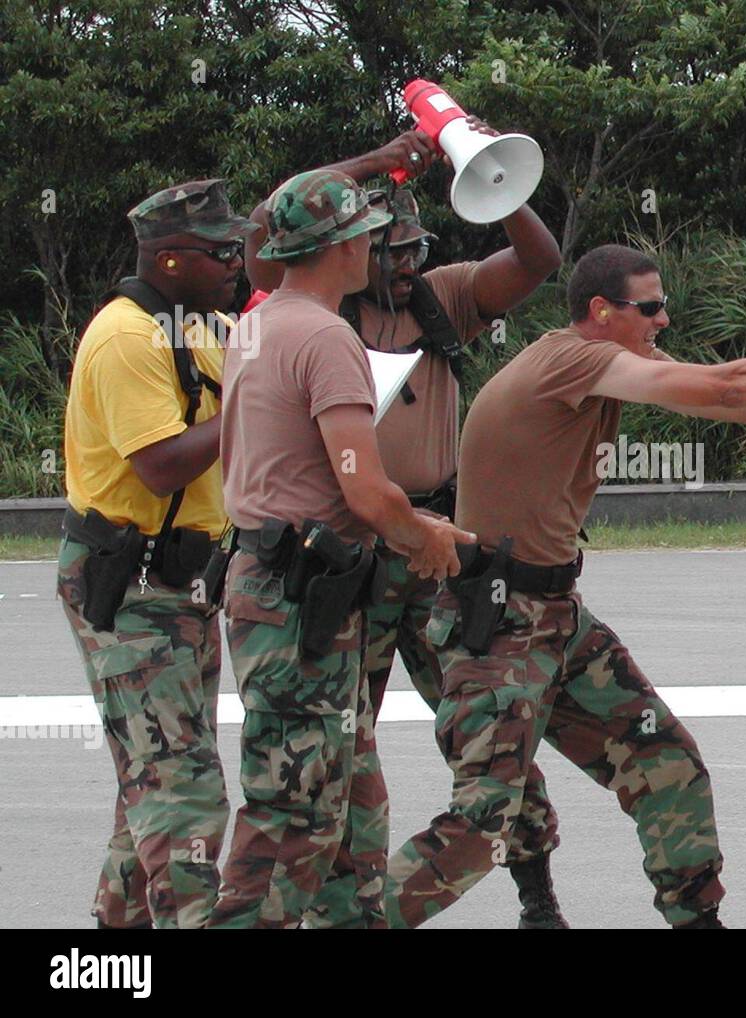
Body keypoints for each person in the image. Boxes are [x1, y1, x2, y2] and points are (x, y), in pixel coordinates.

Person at [385, 243, 746, 928]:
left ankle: (697, 921)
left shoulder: (609, 362)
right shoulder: (572, 360)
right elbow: (729, 386)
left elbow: (732, 403)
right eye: (651, 306)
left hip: (551, 615)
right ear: (601, 313)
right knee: (482, 823)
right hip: (498, 623)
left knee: (668, 767)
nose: (664, 318)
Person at [243, 126, 570, 928]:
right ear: (350, 248)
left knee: (486, 728)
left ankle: (536, 890)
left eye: (408, 247)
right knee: (340, 742)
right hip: (360, 550)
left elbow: (539, 264)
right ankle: (345, 904)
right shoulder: (315, 317)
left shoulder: (444, 295)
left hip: (430, 540)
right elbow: (270, 226)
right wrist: (374, 162)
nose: (398, 263)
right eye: (379, 246)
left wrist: (492, 176)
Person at [207, 167, 471, 928]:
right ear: (341, 245)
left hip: (284, 584)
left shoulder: (257, 323)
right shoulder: (327, 337)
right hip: (300, 599)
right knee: (294, 812)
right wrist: (425, 537)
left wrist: (414, 527)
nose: (374, 245)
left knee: (354, 812)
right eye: (365, 232)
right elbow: (364, 488)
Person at [57, 179, 256, 928]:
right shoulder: (127, 337)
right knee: (184, 793)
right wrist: (252, 399)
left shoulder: (193, 324)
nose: (239, 262)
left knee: (150, 784)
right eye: (222, 252)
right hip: (130, 586)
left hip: (179, 586)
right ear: (169, 260)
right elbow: (163, 465)